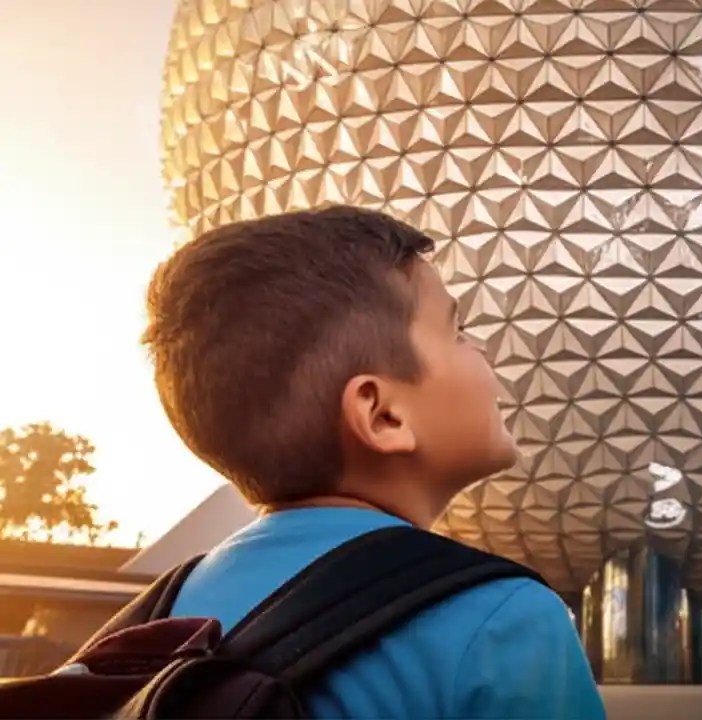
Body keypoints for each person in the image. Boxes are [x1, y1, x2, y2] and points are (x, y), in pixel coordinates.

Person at [141, 205, 605, 719]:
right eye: (459, 334)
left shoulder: (142, 631)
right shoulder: (503, 622)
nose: (485, 355)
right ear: (382, 415)